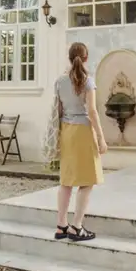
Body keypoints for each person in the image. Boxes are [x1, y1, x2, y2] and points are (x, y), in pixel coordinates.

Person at [54, 42, 107, 242]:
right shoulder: (87, 81)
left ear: (69, 58)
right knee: (87, 180)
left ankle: (61, 226)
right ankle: (76, 226)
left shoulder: (60, 81)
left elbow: (58, 110)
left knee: (66, 181)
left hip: (66, 131)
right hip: (83, 132)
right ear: (86, 58)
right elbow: (92, 111)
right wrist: (101, 137)